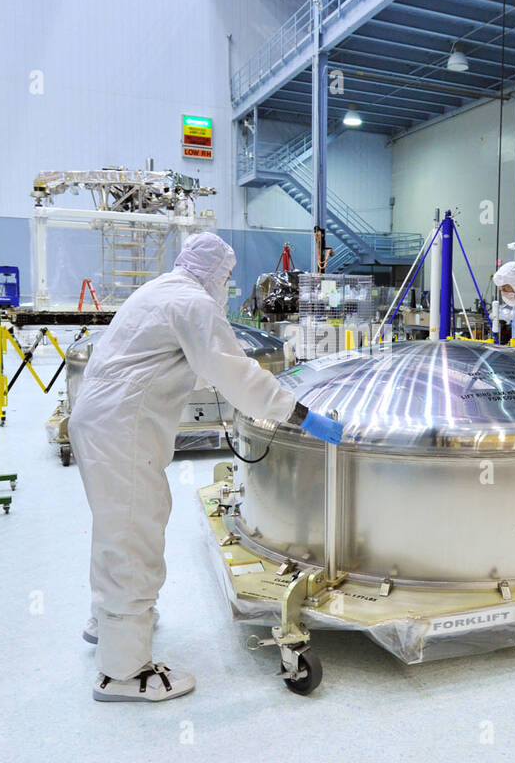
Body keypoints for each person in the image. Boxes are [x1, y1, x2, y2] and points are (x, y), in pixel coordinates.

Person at [68, 233, 344, 702]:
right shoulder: (194, 303)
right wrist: (298, 412)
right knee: (135, 535)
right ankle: (123, 671)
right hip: (123, 429)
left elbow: (173, 361)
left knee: (117, 529)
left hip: (99, 421)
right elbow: (232, 372)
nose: (228, 286)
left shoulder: (160, 289)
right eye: (227, 277)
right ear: (214, 273)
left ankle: (110, 621)